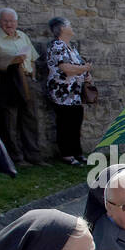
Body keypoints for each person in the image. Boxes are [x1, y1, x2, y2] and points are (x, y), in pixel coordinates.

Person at [0, 7, 43, 165]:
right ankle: (16, 158)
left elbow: (32, 58)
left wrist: (32, 76)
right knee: (9, 120)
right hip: (8, 82)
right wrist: (12, 60)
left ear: (16, 22)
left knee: (30, 119)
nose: (9, 24)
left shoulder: (23, 36)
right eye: (5, 21)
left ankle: (34, 156)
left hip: (26, 80)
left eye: (12, 21)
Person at [44, 17, 90, 165]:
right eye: (69, 25)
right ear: (62, 28)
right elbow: (65, 68)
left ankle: (77, 152)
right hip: (62, 93)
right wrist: (84, 69)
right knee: (65, 124)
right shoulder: (57, 45)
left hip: (74, 93)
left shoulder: (71, 47)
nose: (72, 27)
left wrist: (86, 75)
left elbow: (77, 66)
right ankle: (66, 154)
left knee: (76, 122)